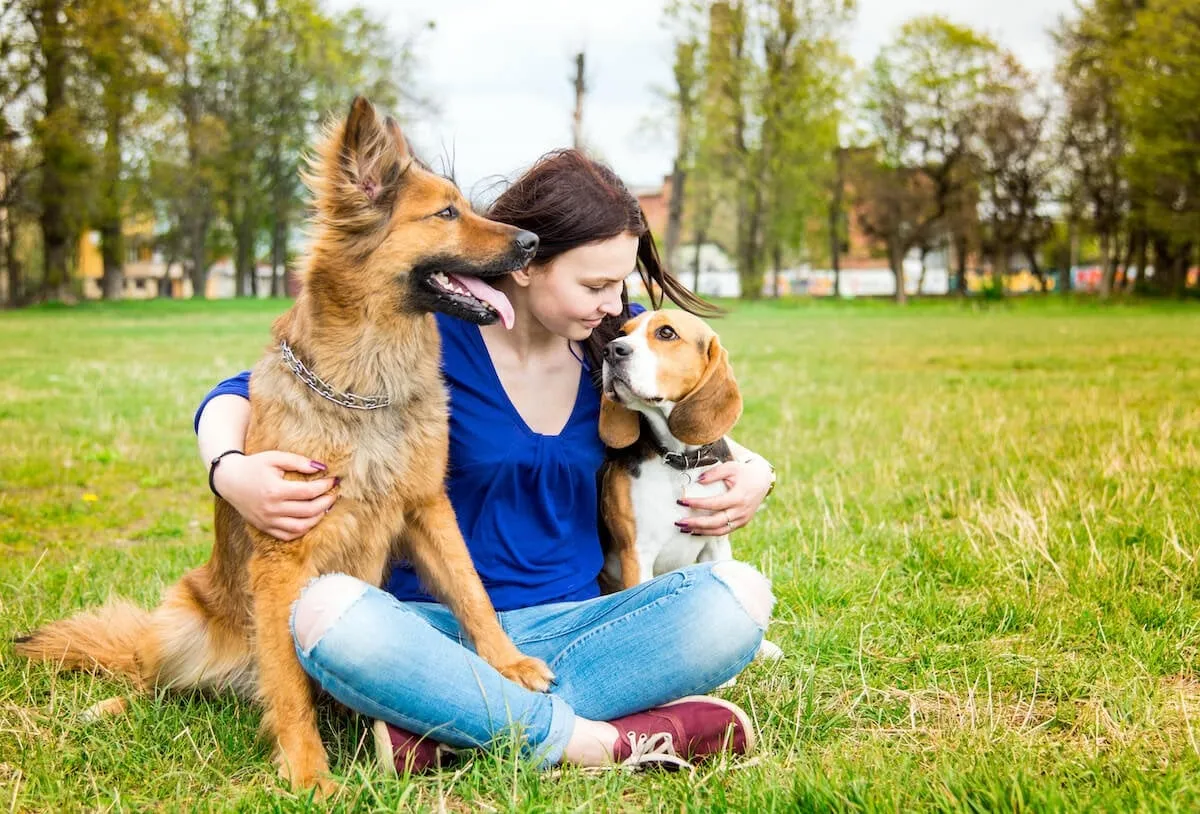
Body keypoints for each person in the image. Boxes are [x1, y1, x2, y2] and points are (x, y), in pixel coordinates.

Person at [194, 150, 778, 773]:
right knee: (328, 614)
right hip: (433, 631)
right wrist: (230, 469)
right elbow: (247, 386)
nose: (615, 305)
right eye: (595, 285)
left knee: (738, 597)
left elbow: (693, 410)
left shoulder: (612, 350)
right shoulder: (431, 333)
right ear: (526, 265)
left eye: (620, 285)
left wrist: (758, 473)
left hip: (579, 625)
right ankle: (595, 741)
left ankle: (452, 723)